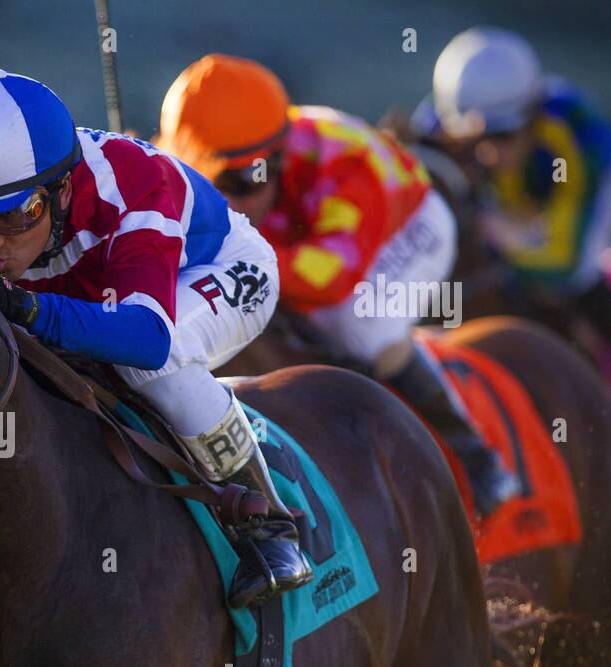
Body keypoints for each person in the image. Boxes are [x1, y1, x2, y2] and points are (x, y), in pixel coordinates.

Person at [0, 68, 310, 608]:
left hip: (221, 272)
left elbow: (148, 338)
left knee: (147, 370)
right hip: (101, 292)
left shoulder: (133, 187)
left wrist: (27, 307)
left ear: (62, 188)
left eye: (14, 215)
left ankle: (269, 527)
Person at [158, 54, 520, 516]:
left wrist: (234, 251)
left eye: (239, 181)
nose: (224, 200)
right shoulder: (234, 146)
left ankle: (477, 458)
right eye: (205, 183)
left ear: (277, 158)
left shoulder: (343, 171)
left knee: (358, 322)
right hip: (306, 233)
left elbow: (327, 277)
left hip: (407, 226)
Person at [411, 26, 611, 331]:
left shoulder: (577, 134)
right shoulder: (431, 130)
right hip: (512, 223)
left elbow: (568, 268)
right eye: (473, 142)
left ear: (534, 114)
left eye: (503, 135)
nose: (489, 153)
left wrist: (492, 240)